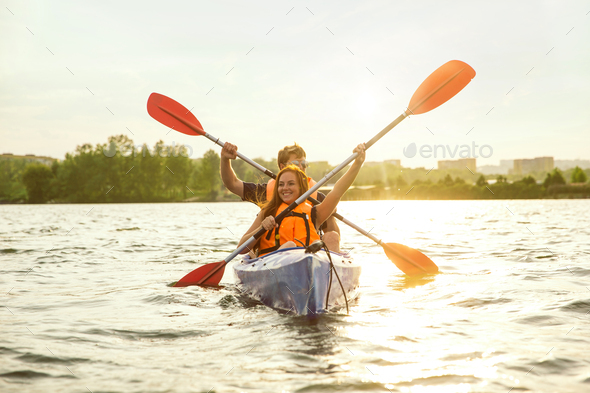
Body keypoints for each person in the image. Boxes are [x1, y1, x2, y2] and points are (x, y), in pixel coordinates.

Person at [237, 144, 365, 256]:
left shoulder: (315, 213)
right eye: (281, 184)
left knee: (332, 236)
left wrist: (357, 163)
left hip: (311, 263)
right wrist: (261, 227)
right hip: (274, 264)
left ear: (301, 187)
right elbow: (241, 249)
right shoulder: (267, 212)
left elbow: (337, 192)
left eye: (291, 184)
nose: (285, 188)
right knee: (289, 245)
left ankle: (328, 278)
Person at [220, 142, 341, 249]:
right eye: (295, 163)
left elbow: (333, 238)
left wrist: (330, 216)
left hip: (309, 253)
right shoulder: (266, 192)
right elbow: (232, 184)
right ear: (282, 166)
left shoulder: (317, 198)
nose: (301, 167)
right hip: (275, 254)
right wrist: (225, 159)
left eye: (304, 163)